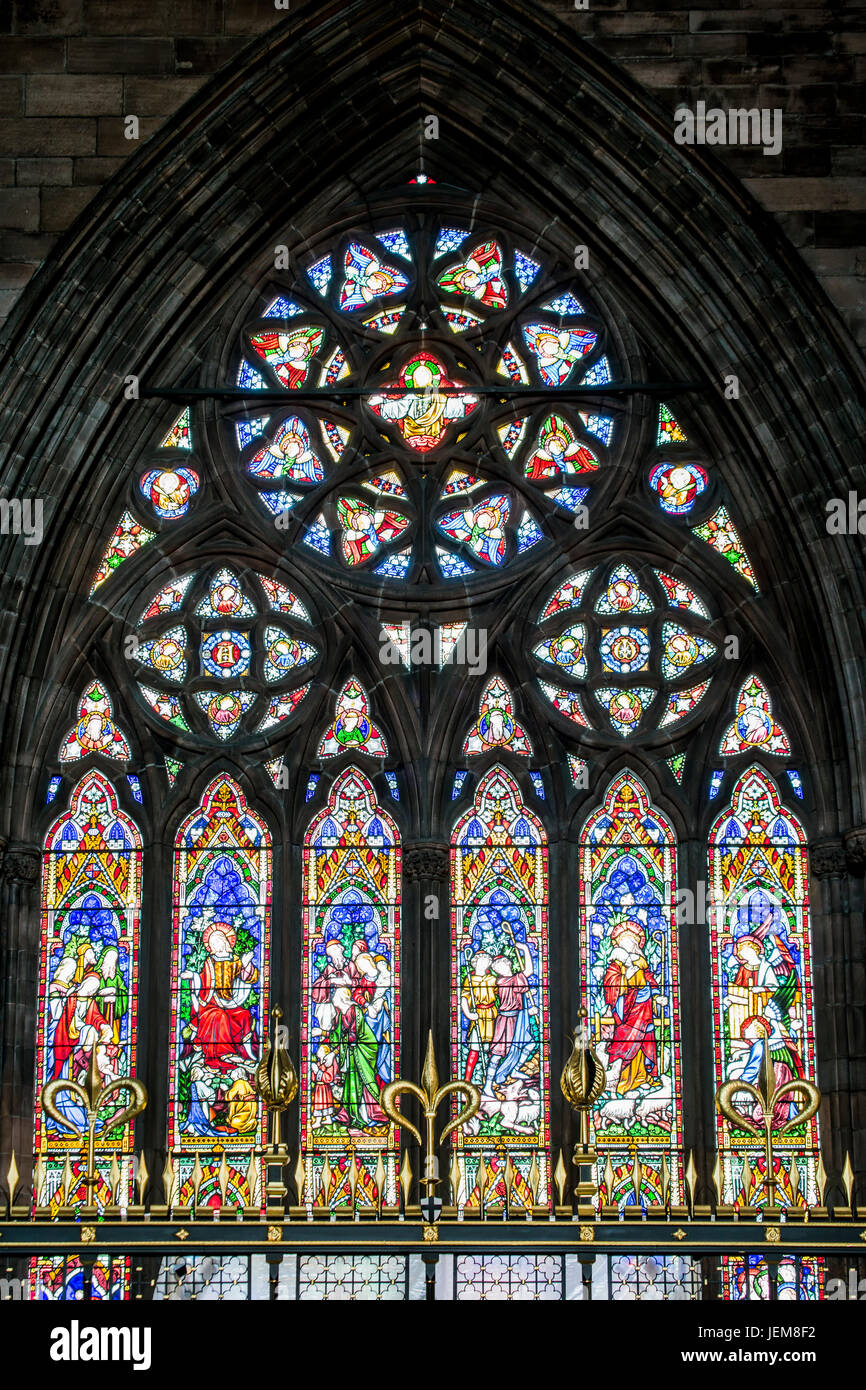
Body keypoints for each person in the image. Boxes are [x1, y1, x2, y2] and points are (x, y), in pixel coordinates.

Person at [602, 919, 663, 1095]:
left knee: (645, 1042)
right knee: (625, 1042)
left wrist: (657, 996)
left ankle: (643, 1077)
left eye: (632, 942)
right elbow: (610, 986)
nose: (630, 946)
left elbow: (651, 982)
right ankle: (621, 1079)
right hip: (626, 1011)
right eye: (625, 942)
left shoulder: (642, 965)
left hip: (645, 1010)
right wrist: (627, 976)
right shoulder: (616, 965)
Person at [329, 986, 388, 1131]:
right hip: (351, 1052)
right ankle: (348, 1115)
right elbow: (337, 1034)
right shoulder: (340, 1015)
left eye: (335, 995)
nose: (333, 997)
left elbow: (356, 1032)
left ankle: (376, 1115)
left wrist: (338, 1050)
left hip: (362, 1050)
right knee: (351, 1083)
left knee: (366, 1082)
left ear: (342, 997)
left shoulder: (354, 1010)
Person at [461, 949, 498, 1084]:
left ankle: (489, 1080)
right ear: (474, 963)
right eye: (481, 961)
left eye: (486, 961)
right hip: (478, 1015)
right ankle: (467, 1080)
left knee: (491, 1049)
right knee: (475, 1048)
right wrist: (469, 1014)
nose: (484, 964)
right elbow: (464, 998)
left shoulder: (493, 979)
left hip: (491, 1016)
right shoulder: (470, 980)